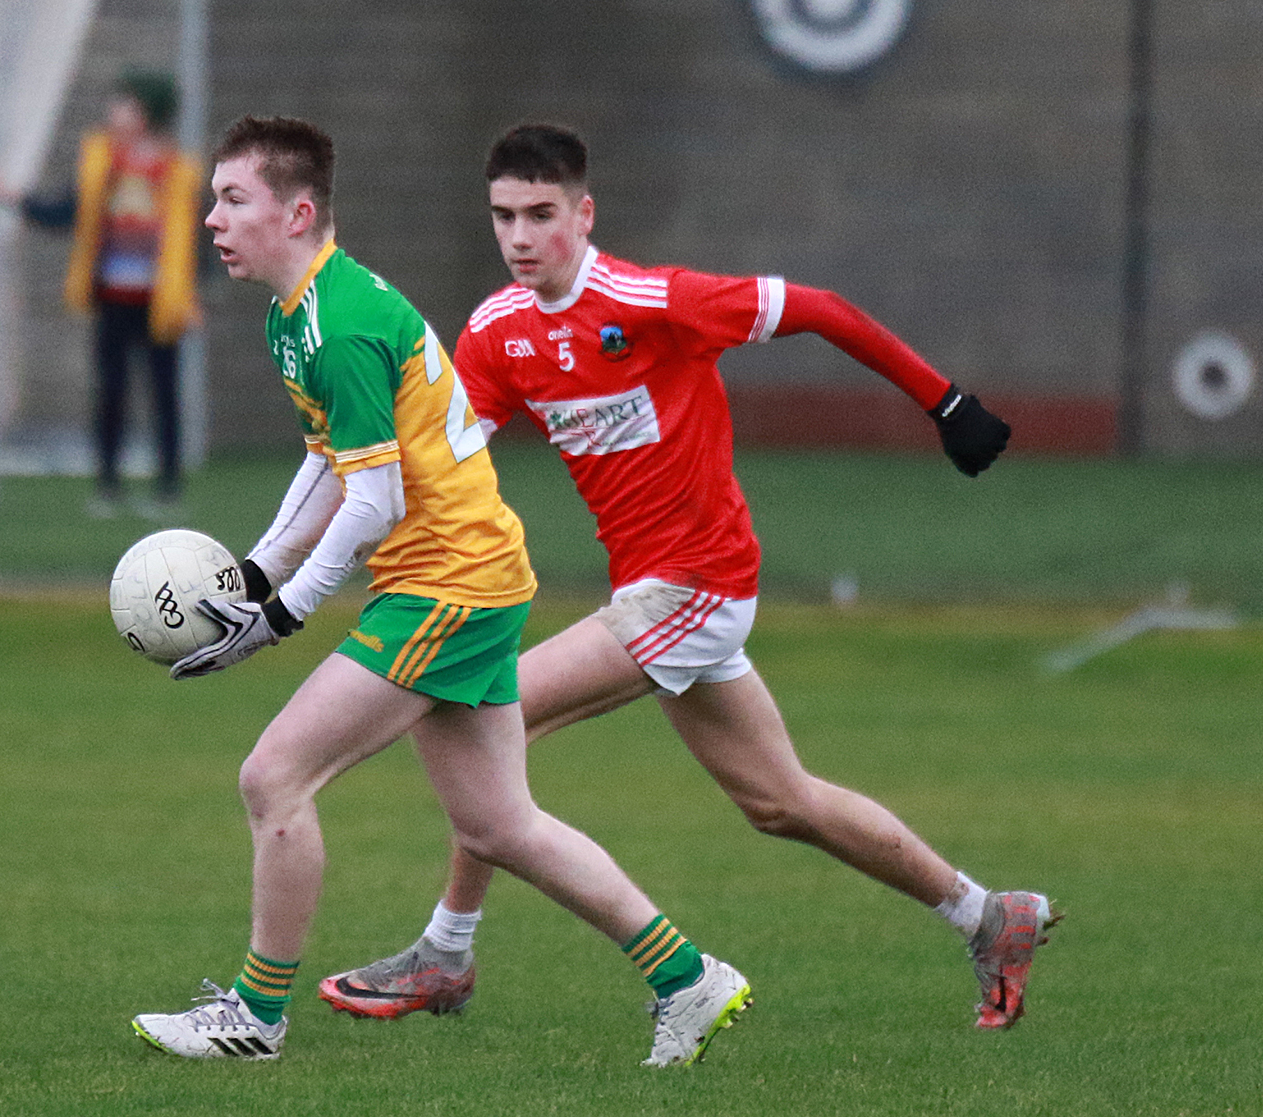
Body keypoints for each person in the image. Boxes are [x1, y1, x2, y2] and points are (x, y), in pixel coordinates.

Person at [318, 124, 1060, 1033]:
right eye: (504, 216)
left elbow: (820, 307)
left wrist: (944, 403)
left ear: (583, 214)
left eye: (541, 214)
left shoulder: (657, 302)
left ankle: (445, 955)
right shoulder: (498, 334)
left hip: (699, 585)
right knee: (781, 803)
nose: (520, 236)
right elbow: (446, 457)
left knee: (482, 712)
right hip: (649, 596)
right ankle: (989, 915)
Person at [129, 115, 750, 1068]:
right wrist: (256, 574)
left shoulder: (336, 326)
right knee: (500, 824)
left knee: (275, 775)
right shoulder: (302, 311)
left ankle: (253, 1021)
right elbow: (328, 463)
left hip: (447, 587)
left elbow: (372, 499)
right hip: (473, 577)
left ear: (297, 213)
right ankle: (689, 979)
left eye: (232, 198)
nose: (212, 217)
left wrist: (280, 618)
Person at [0, 68, 200, 518]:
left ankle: (168, 487)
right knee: (110, 390)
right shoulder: (101, 161)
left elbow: (193, 239)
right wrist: (17, 200)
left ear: (146, 113)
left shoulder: (178, 169)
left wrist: (195, 295)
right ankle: (108, 484)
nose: (115, 112)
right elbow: (70, 211)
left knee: (165, 392)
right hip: (113, 298)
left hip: (160, 303)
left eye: (125, 104)